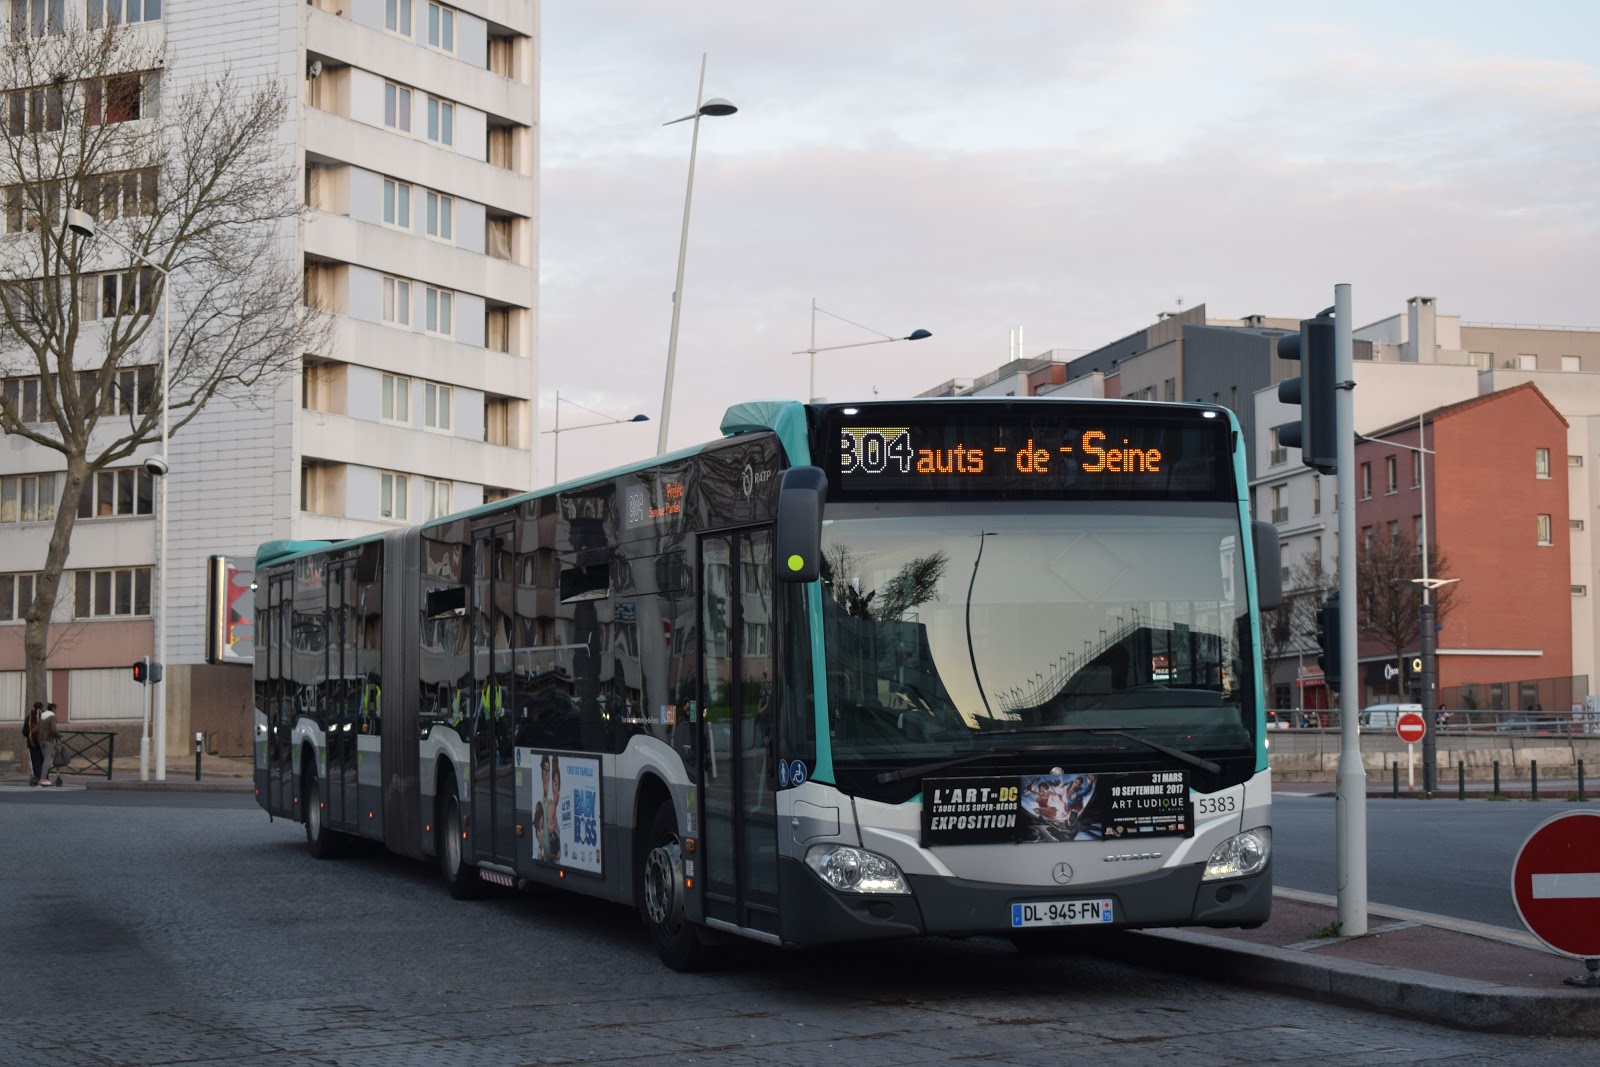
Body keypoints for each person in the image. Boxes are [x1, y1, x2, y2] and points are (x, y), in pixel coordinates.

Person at [37, 702, 61, 787]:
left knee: (44, 759)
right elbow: (53, 729)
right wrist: (58, 735)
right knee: (47, 760)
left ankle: (43, 777)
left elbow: (37, 728)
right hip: (48, 739)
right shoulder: (52, 716)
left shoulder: (42, 715)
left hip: (40, 739)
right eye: (56, 709)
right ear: (53, 708)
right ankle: (43, 778)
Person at [21, 701, 43, 786]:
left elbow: (24, 731)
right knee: (43, 760)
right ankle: (44, 777)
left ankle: (36, 778)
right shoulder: (44, 716)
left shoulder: (29, 717)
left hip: (32, 742)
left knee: (35, 761)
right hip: (43, 742)